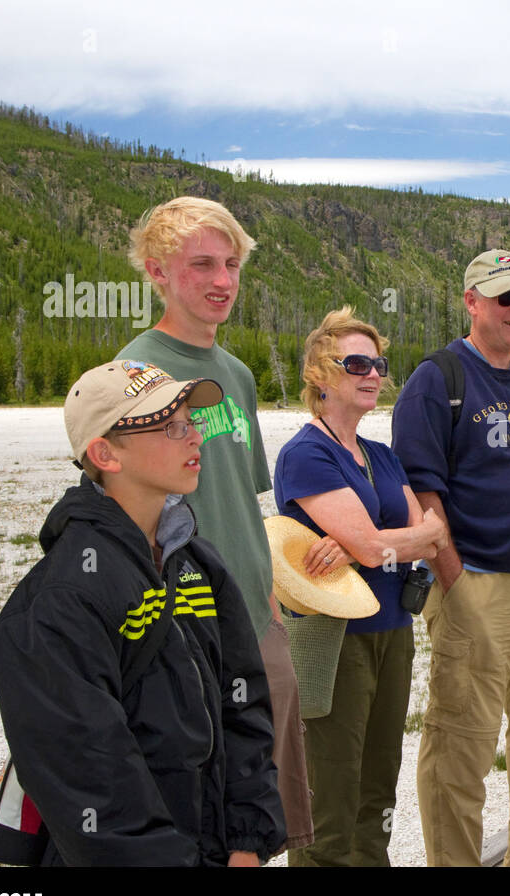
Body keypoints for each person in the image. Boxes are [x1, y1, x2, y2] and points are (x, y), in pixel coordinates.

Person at [0, 361, 286, 865]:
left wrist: (245, 840)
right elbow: (94, 787)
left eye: (191, 420)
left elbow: (244, 703)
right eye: (171, 425)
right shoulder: (58, 604)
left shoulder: (197, 563)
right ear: (105, 453)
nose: (195, 437)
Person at [117, 196, 312, 852]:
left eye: (231, 265)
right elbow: (120, 518)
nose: (222, 280)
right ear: (157, 271)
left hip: (257, 622)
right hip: (183, 629)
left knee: (263, 815)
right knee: (199, 814)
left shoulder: (236, 376)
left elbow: (245, 501)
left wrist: (272, 606)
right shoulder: (135, 374)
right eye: (202, 264)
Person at [391, 248, 510, 866]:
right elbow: (423, 493)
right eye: (506, 298)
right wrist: (455, 584)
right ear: (471, 301)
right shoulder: (438, 379)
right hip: (478, 584)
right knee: (460, 751)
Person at [274, 306, 448, 866]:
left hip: (392, 630)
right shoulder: (307, 453)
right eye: (357, 363)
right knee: (331, 791)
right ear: (320, 375)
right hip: (333, 639)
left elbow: (436, 535)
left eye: (379, 363)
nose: (374, 373)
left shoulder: (381, 455)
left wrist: (367, 543)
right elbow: (389, 543)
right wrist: (386, 541)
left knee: (377, 786)